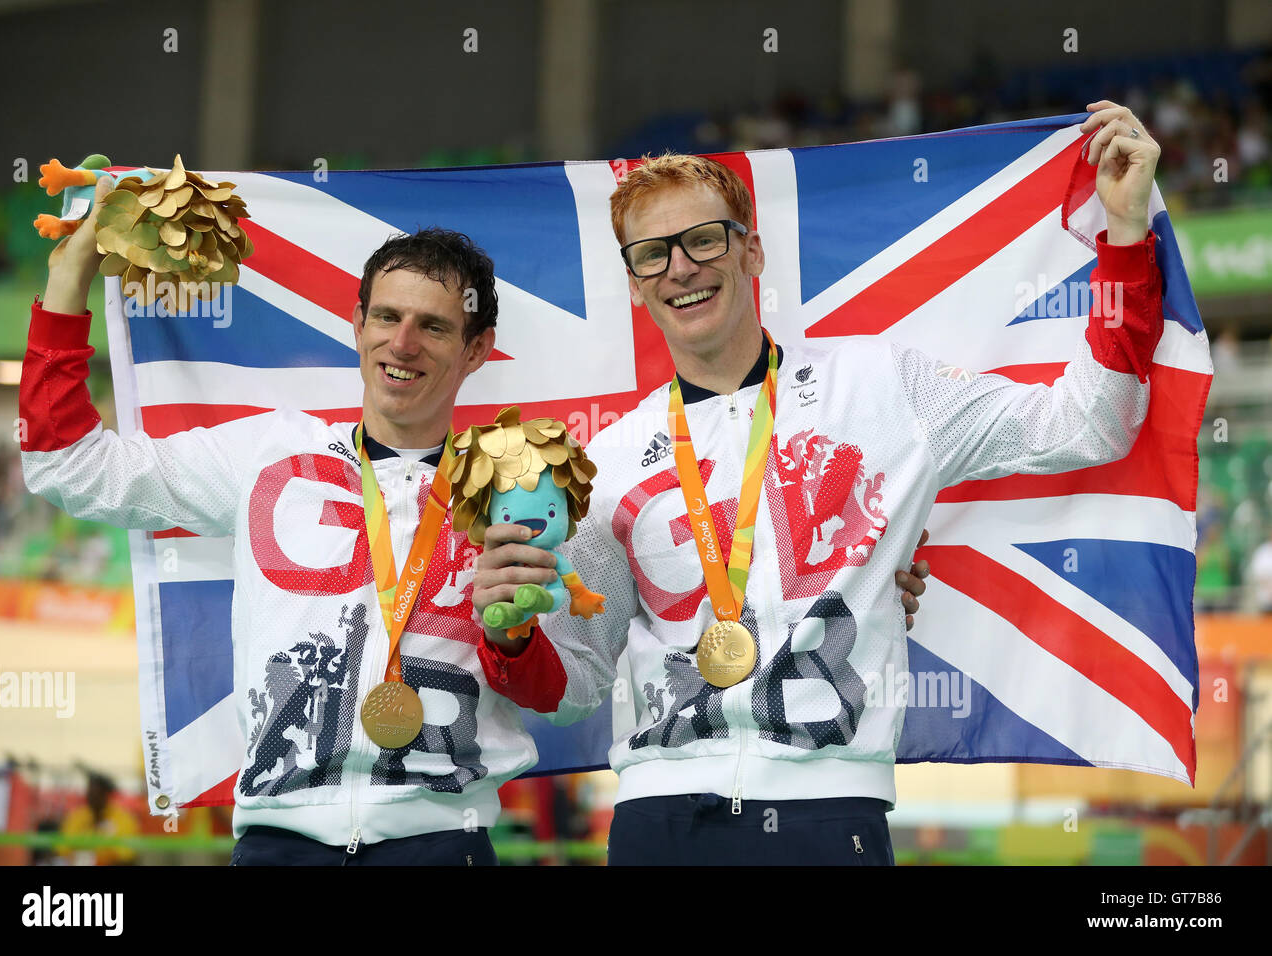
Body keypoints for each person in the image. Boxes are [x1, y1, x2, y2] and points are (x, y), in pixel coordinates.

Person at [472, 100, 1166, 865]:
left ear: (752, 254)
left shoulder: (881, 385)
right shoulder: (607, 458)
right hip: (656, 818)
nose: (681, 268)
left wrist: (1124, 233)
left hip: (826, 814)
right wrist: (509, 635)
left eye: (704, 240)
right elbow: (573, 685)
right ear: (635, 285)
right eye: (652, 254)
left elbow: (1092, 421)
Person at [21, 178, 522, 864]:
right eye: (386, 318)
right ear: (357, 324)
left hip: (440, 842)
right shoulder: (267, 455)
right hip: (278, 845)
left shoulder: (518, 490)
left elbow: (574, 691)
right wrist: (69, 272)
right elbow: (66, 465)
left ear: (476, 348)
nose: (401, 343)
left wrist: (519, 636)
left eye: (432, 326)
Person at [58, 772, 139, 866]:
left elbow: (126, 854)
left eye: (97, 793)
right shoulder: (77, 816)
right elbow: (63, 848)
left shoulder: (122, 818)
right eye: (90, 793)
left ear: (106, 794)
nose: (92, 797)